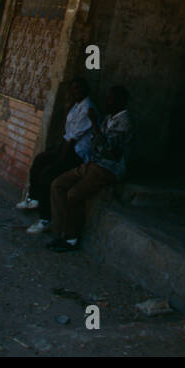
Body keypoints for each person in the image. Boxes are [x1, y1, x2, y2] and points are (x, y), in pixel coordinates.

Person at [46, 86, 132, 252]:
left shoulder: (125, 122)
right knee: (58, 184)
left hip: (108, 168)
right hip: (93, 164)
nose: (107, 102)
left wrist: (94, 125)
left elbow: (109, 149)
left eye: (111, 99)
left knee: (74, 194)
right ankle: (58, 232)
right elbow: (95, 143)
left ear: (121, 101)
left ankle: (70, 238)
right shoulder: (109, 118)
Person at [20, 78, 98, 231]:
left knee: (49, 175)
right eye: (73, 89)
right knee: (40, 160)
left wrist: (60, 158)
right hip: (66, 147)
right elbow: (67, 133)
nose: (76, 92)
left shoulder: (88, 108)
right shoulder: (77, 106)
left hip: (77, 153)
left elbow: (73, 138)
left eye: (79, 89)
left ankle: (45, 218)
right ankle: (33, 198)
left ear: (85, 90)